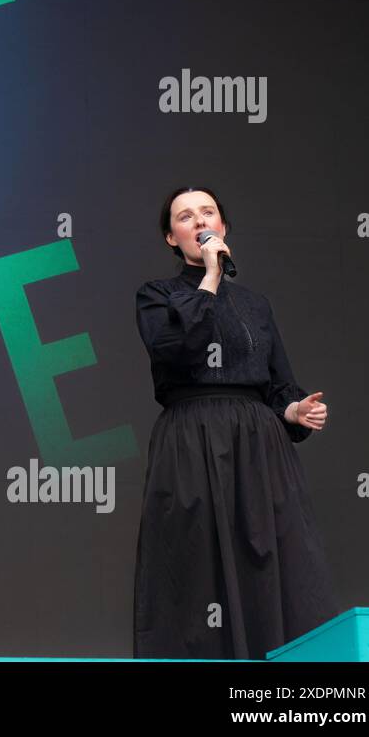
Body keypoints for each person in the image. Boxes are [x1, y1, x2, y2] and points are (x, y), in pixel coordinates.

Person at [132, 186, 339, 659]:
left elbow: (276, 382)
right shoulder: (157, 296)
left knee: (278, 565)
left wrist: (293, 410)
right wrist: (208, 276)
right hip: (192, 440)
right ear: (171, 236)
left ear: (223, 227)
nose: (199, 221)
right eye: (186, 216)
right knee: (195, 570)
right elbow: (176, 350)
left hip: (257, 445)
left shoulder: (254, 303)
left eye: (208, 212)